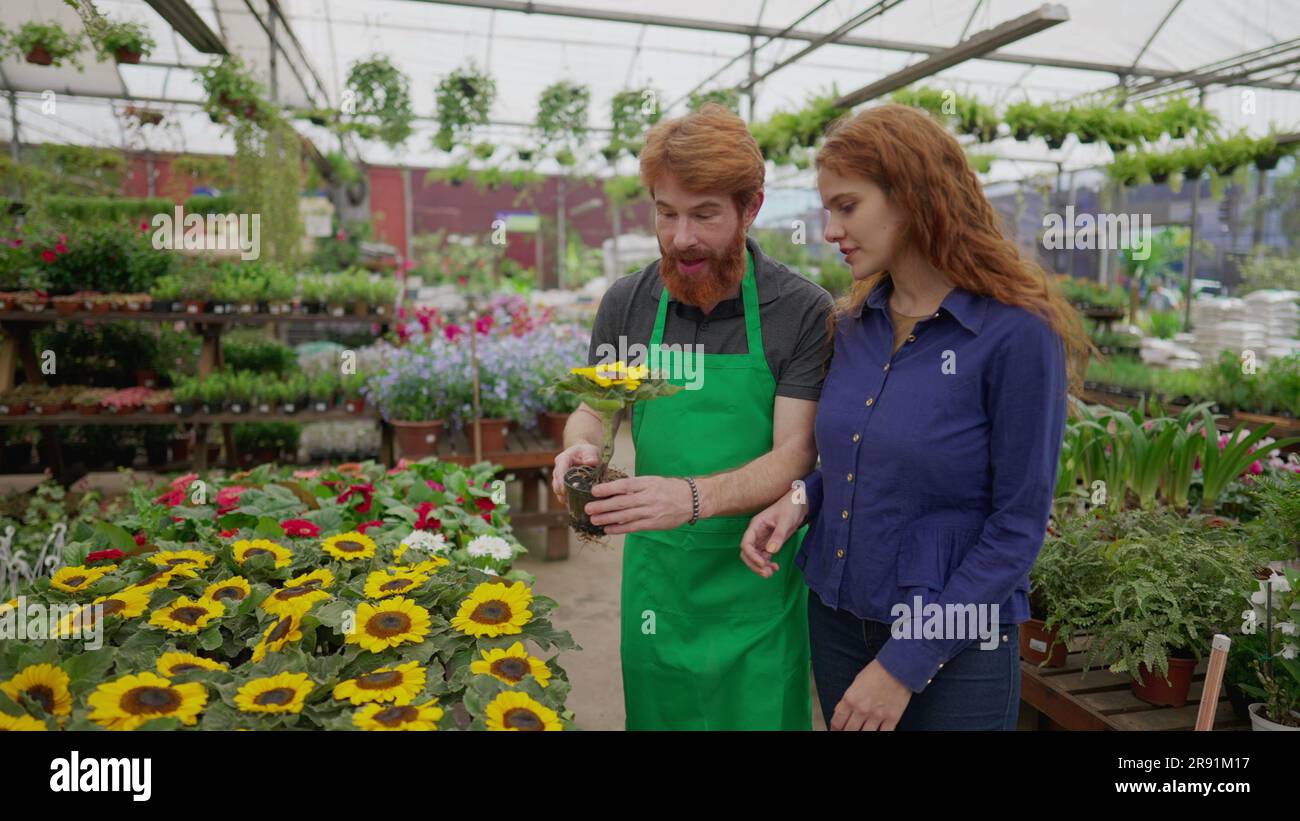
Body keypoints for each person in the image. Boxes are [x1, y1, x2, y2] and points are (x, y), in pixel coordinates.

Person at [741, 104, 1089, 731]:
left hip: (956, 643)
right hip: (838, 616)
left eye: (847, 207)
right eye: (827, 210)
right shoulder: (851, 327)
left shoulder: (1014, 336)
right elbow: (863, 460)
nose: (828, 230)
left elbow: (1016, 527)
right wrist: (800, 499)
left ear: (913, 195)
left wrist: (904, 664)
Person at [551, 104, 833, 730]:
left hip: (756, 576)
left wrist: (693, 498)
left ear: (751, 207)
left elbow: (796, 455)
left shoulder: (800, 311)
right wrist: (578, 448)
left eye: (705, 214)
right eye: (666, 212)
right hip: (660, 581)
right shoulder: (628, 302)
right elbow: (591, 410)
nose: (681, 238)